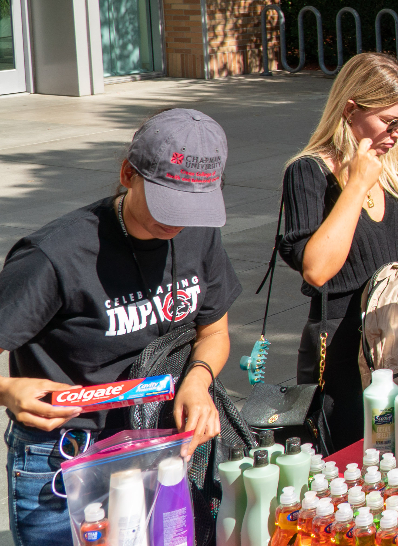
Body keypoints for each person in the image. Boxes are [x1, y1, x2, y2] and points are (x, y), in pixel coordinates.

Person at [0, 109, 241, 545]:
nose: (177, 221)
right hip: (65, 455)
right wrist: (7, 390)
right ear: (128, 173)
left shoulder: (199, 235)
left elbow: (214, 332)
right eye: (168, 201)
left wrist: (199, 381)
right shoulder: (53, 256)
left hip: (158, 443)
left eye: (194, 205)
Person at [282, 52, 398, 452]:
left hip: (392, 339)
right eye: (389, 121)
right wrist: (358, 185)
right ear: (350, 110)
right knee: (349, 459)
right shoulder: (310, 172)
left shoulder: (387, 165)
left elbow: (386, 237)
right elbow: (316, 268)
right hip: (341, 346)